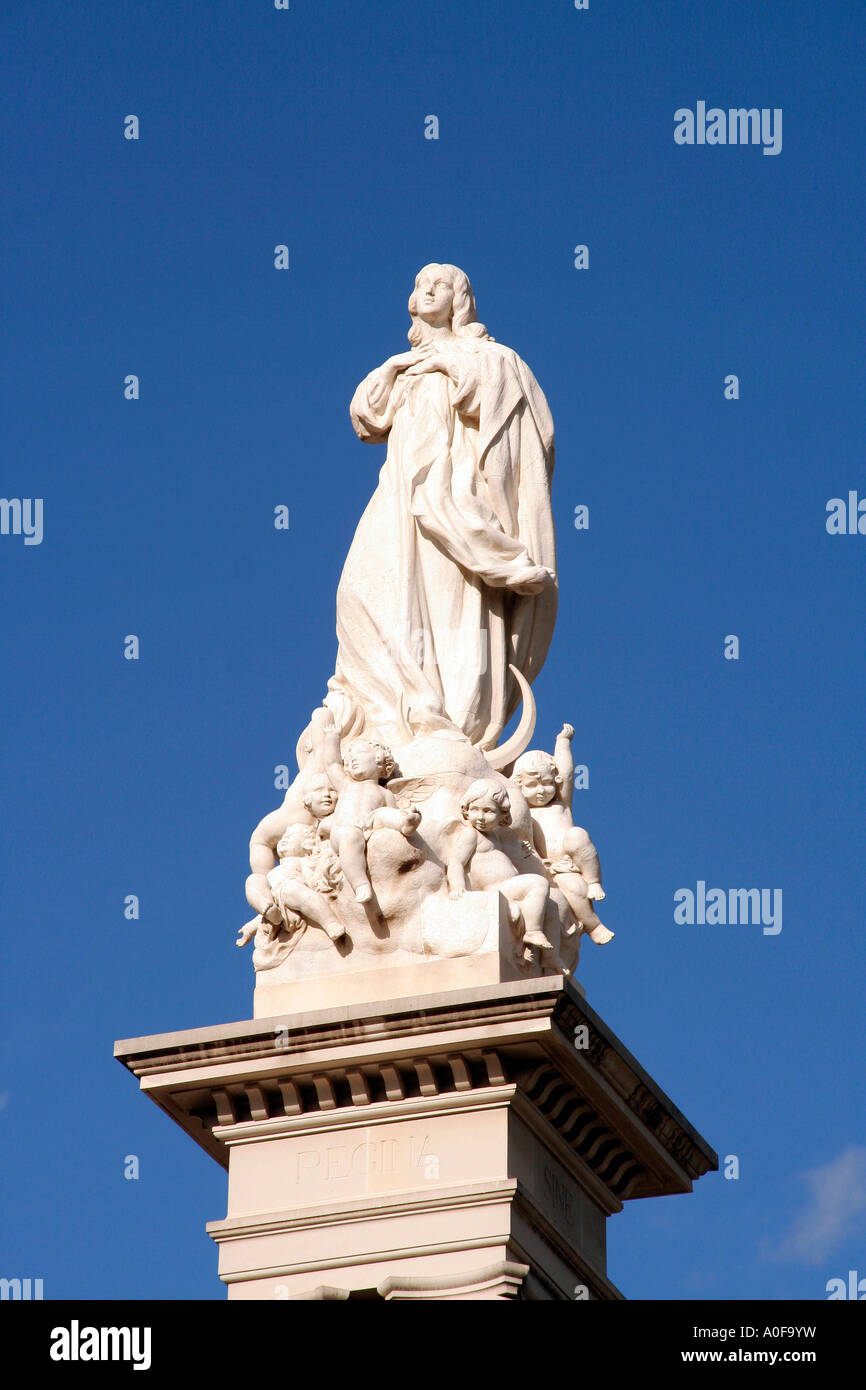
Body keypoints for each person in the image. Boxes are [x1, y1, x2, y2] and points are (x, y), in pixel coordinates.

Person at [325, 263, 557, 754]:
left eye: (441, 284)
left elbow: (514, 409)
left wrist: (447, 363)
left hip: (454, 497)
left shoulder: (489, 356)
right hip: (399, 494)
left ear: (460, 299)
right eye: (420, 284)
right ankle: (388, 719)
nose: (428, 289)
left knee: (450, 598)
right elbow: (366, 417)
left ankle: (443, 716)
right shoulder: (402, 365)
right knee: (359, 590)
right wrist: (398, 367)